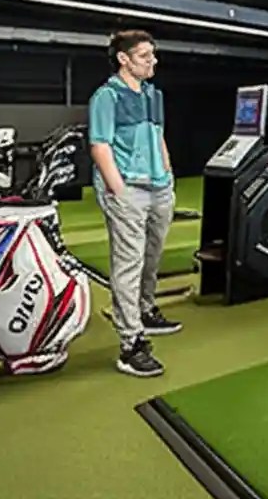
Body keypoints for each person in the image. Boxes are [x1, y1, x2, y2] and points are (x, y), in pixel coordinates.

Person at [88, 29, 181, 378]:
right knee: (128, 261)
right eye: (145, 56)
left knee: (152, 255)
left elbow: (158, 137)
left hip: (158, 187)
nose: (153, 61)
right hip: (126, 188)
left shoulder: (154, 95)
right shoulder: (106, 96)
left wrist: (167, 176)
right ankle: (131, 344)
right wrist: (119, 191)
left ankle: (145, 310)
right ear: (123, 59)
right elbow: (100, 146)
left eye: (153, 55)